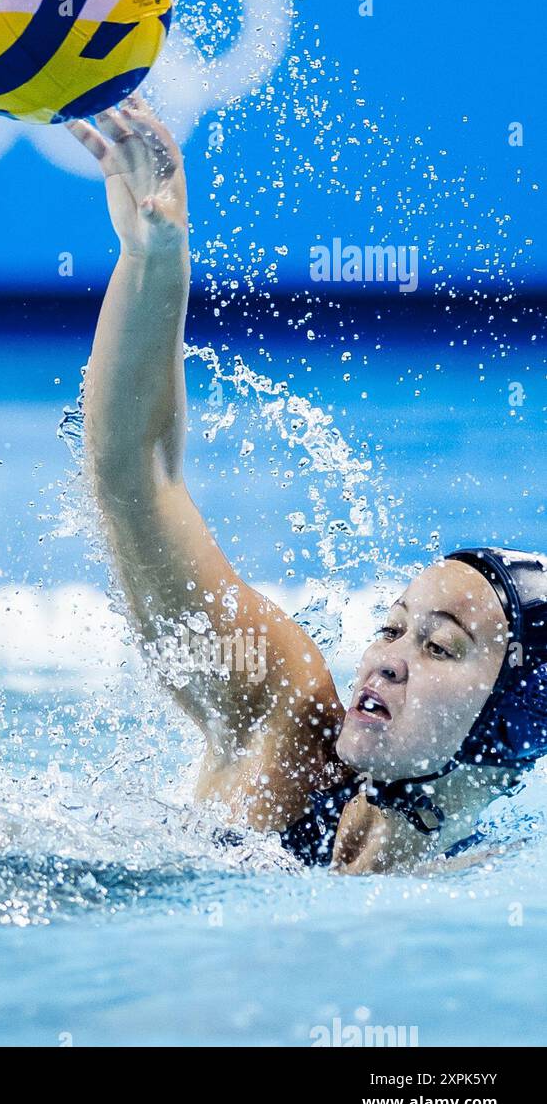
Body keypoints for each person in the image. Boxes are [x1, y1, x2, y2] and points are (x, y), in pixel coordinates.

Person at [67, 96, 547, 873]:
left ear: (508, 719)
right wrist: (154, 259)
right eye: (392, 628)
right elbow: (133, 479)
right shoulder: (287, 722)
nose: (385, 660)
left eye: (438, 647)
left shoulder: (493, 884)